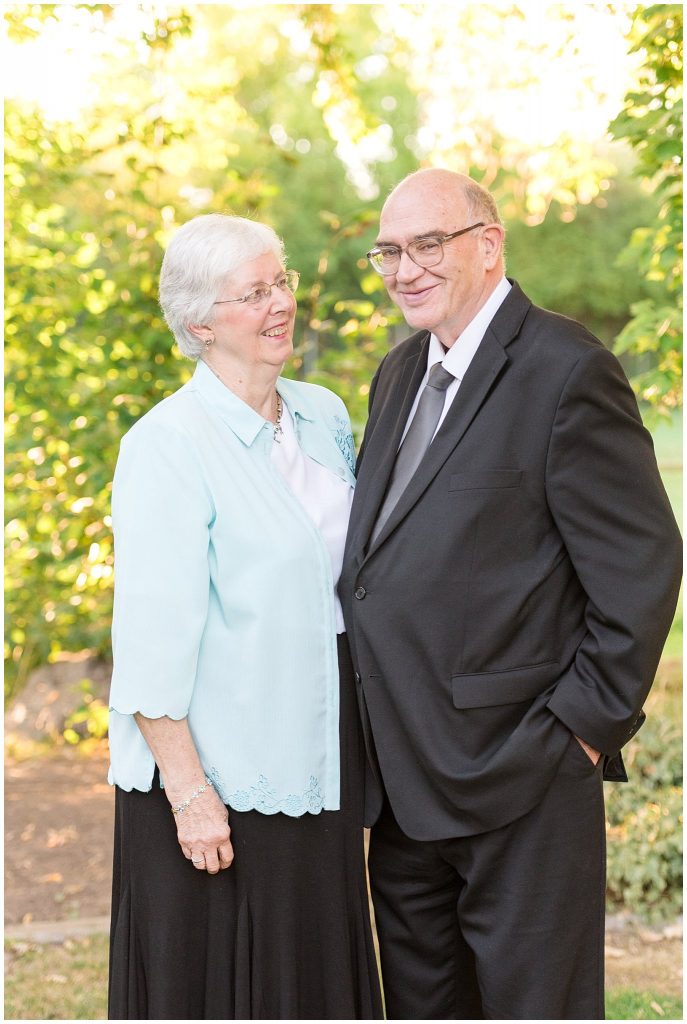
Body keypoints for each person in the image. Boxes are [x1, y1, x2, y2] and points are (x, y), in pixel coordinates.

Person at [339, 168, 682, 1020]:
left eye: (427, 244)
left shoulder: (567, 369)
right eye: (389, 251)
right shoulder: (396, 374)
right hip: (402, 787)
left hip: (522, 778)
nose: (404, 269)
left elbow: (641, 564)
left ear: (488, 245)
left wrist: (580, 732)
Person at [107, 213, 383, 1020]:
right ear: (200, 324)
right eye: (254, 293)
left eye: (281, 282)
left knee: (312, 977)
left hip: (319, 753)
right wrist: (190, 794)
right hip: (215, 775)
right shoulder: (167, 444)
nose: (280, 304)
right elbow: (150, 642)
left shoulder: (321, 414)